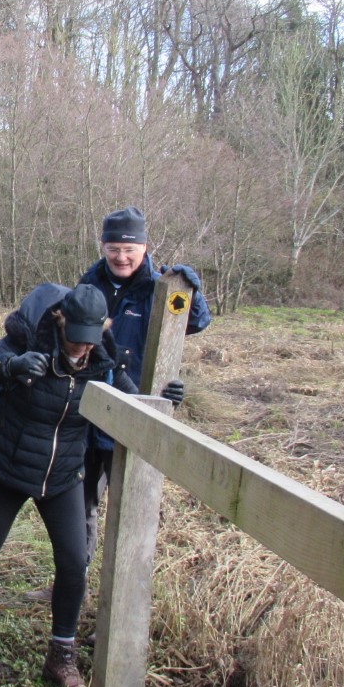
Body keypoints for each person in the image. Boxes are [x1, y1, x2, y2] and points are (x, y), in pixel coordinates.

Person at [0, 282, 185, 687]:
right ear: (61, 322)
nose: (81, 350)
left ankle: (61, 654)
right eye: (75, 339)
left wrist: (165, 401)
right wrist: (10, 366)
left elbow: (135, 406)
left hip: (62, 475)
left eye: (89, 340)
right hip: (7, 466)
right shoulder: (27, 341)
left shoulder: (104, 361)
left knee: (74, 562)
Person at [76, 206, 211, 566]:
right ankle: (76, 584)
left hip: (137, 408)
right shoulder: (89, 285)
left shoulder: (159, 287)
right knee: (80, 504)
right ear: (103, 247)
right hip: (88, 410)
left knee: (130, 507)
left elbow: (194, 323)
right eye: (113, 249)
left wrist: (191, 293)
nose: (121, 257)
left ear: (144, 247)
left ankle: (121, 588)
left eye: (129, 249)